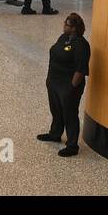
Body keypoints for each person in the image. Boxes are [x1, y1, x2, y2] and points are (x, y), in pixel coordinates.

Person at [38, 12, 91, 157]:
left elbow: (80, 70)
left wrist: (71, 88)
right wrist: (49, 80)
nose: (63, 26)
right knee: (56, 110)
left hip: (68, 86)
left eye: (66, 24)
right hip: (54, 82)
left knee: (70, 114)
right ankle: (55, 133)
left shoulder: (81, 45)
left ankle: (72, 145)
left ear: (74, 28)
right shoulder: (63, 37)